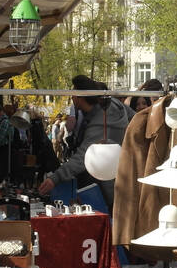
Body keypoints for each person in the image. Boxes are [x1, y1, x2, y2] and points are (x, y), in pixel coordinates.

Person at [38, 75, 133, 208]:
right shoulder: (116, 105)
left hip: (108, 188)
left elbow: (83, 156)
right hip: (118, 179)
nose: (71, 97)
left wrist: (55, 178)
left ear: (80, 97)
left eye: (73, 93)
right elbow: (135, 118)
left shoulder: (99, 124)